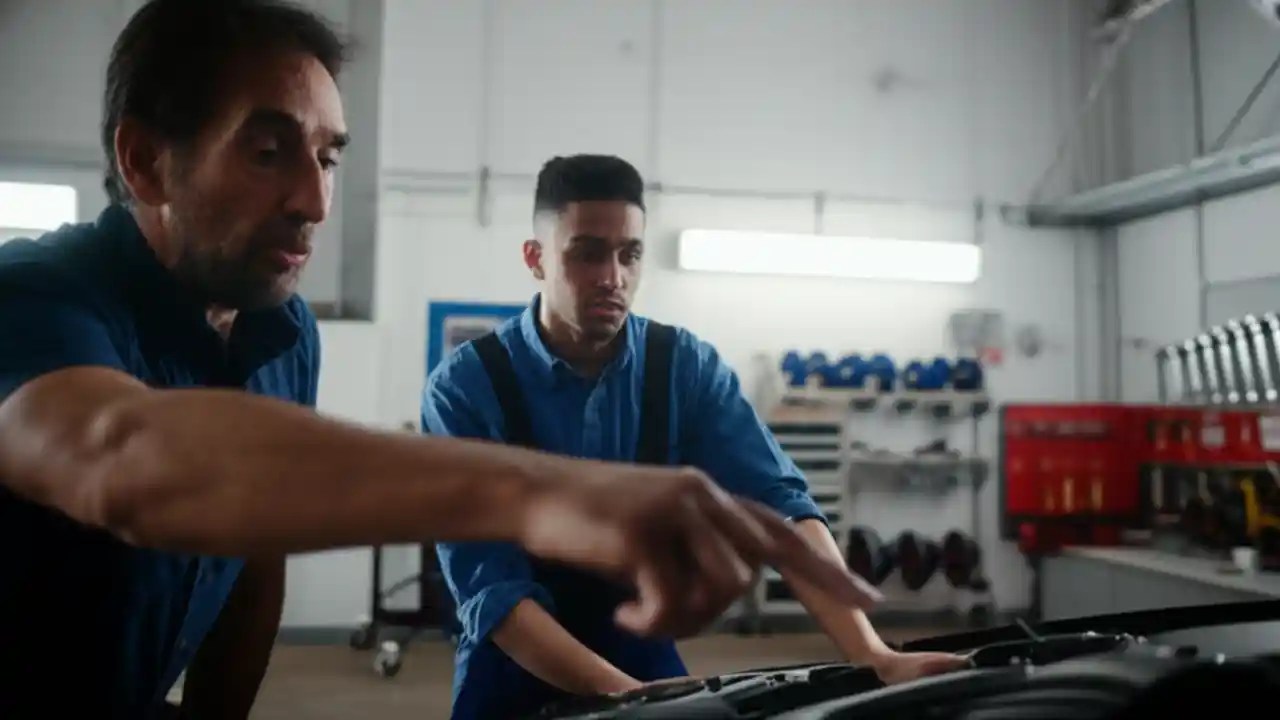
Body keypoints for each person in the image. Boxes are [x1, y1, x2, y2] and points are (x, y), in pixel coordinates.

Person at [0, 3, 877, 718]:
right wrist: (557, 493)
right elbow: (124, 458)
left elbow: (250, 560)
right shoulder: (35, 297)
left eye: (329, 156)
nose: (314, 200)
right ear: (146, 160)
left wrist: (872, 655)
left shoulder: (282, 336)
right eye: (269, 153)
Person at [422, 154, 972, 720]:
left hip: (640, 646)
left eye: (629, 254)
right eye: (587, 254)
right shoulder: (465, 389)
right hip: (512, 668)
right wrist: (632, 700)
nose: (613, 277)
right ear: (536, 259)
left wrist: (872, 654)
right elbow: (492, 591)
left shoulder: (681, 369)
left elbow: (784, 510)